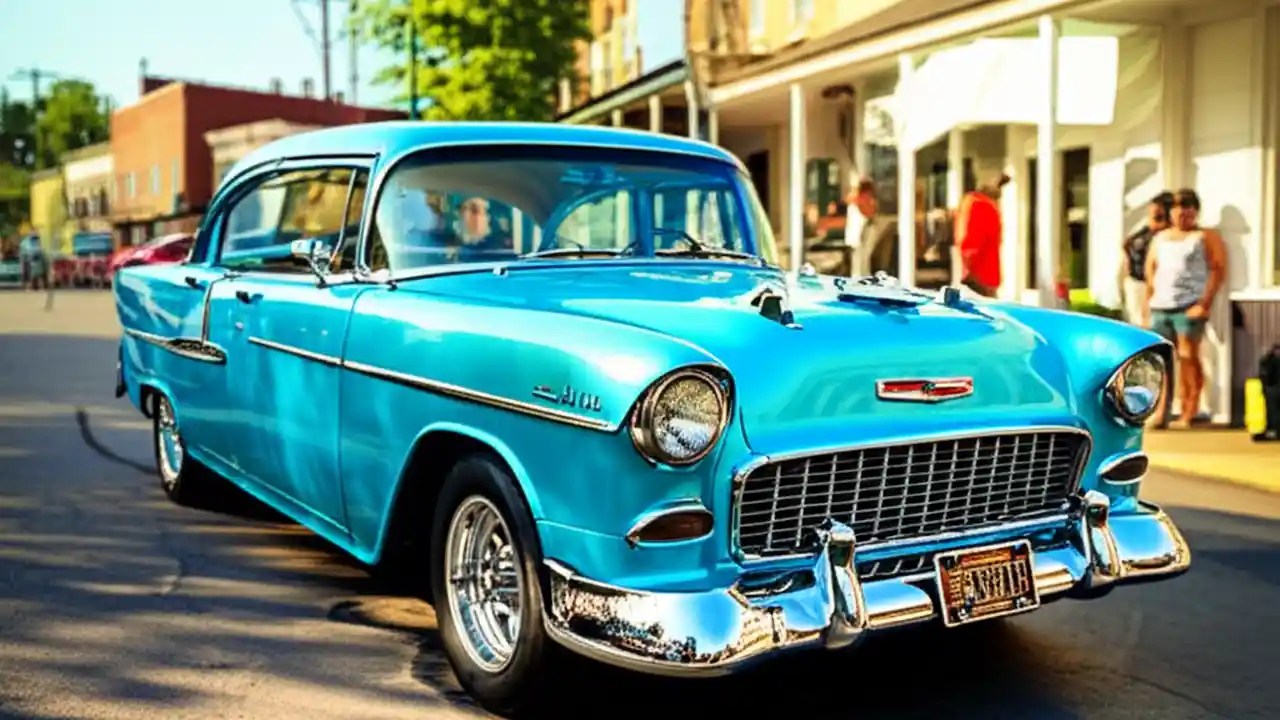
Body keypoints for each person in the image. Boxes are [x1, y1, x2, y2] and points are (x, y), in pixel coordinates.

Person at [1143, 188, 1227, 429]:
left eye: (1188, 207)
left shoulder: (1205, 236)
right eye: (1178, 208)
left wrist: (1204, 303)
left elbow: (1218, 268)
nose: (1182, 213)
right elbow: (1151, 270)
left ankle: (1189, 409)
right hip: (1160, 304)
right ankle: (1161, 412)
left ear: (1195, 211)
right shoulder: (1161, 238)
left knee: (1188, 357)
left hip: (1188, 305)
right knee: (1160, 361)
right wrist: (1147, 304)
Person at [1120, 191, 1173, 324]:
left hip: (1148, 283)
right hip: (1134, 280)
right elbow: (1128, 243)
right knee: (1134, 318)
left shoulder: (1164, 233)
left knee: (1145, 321)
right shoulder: (1146, 228)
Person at [954, 173, 1009, 297]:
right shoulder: (979, 206)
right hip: (980, 277)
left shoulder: (973, 204)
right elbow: (970, 242)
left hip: (982, 275)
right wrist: (970, 271)